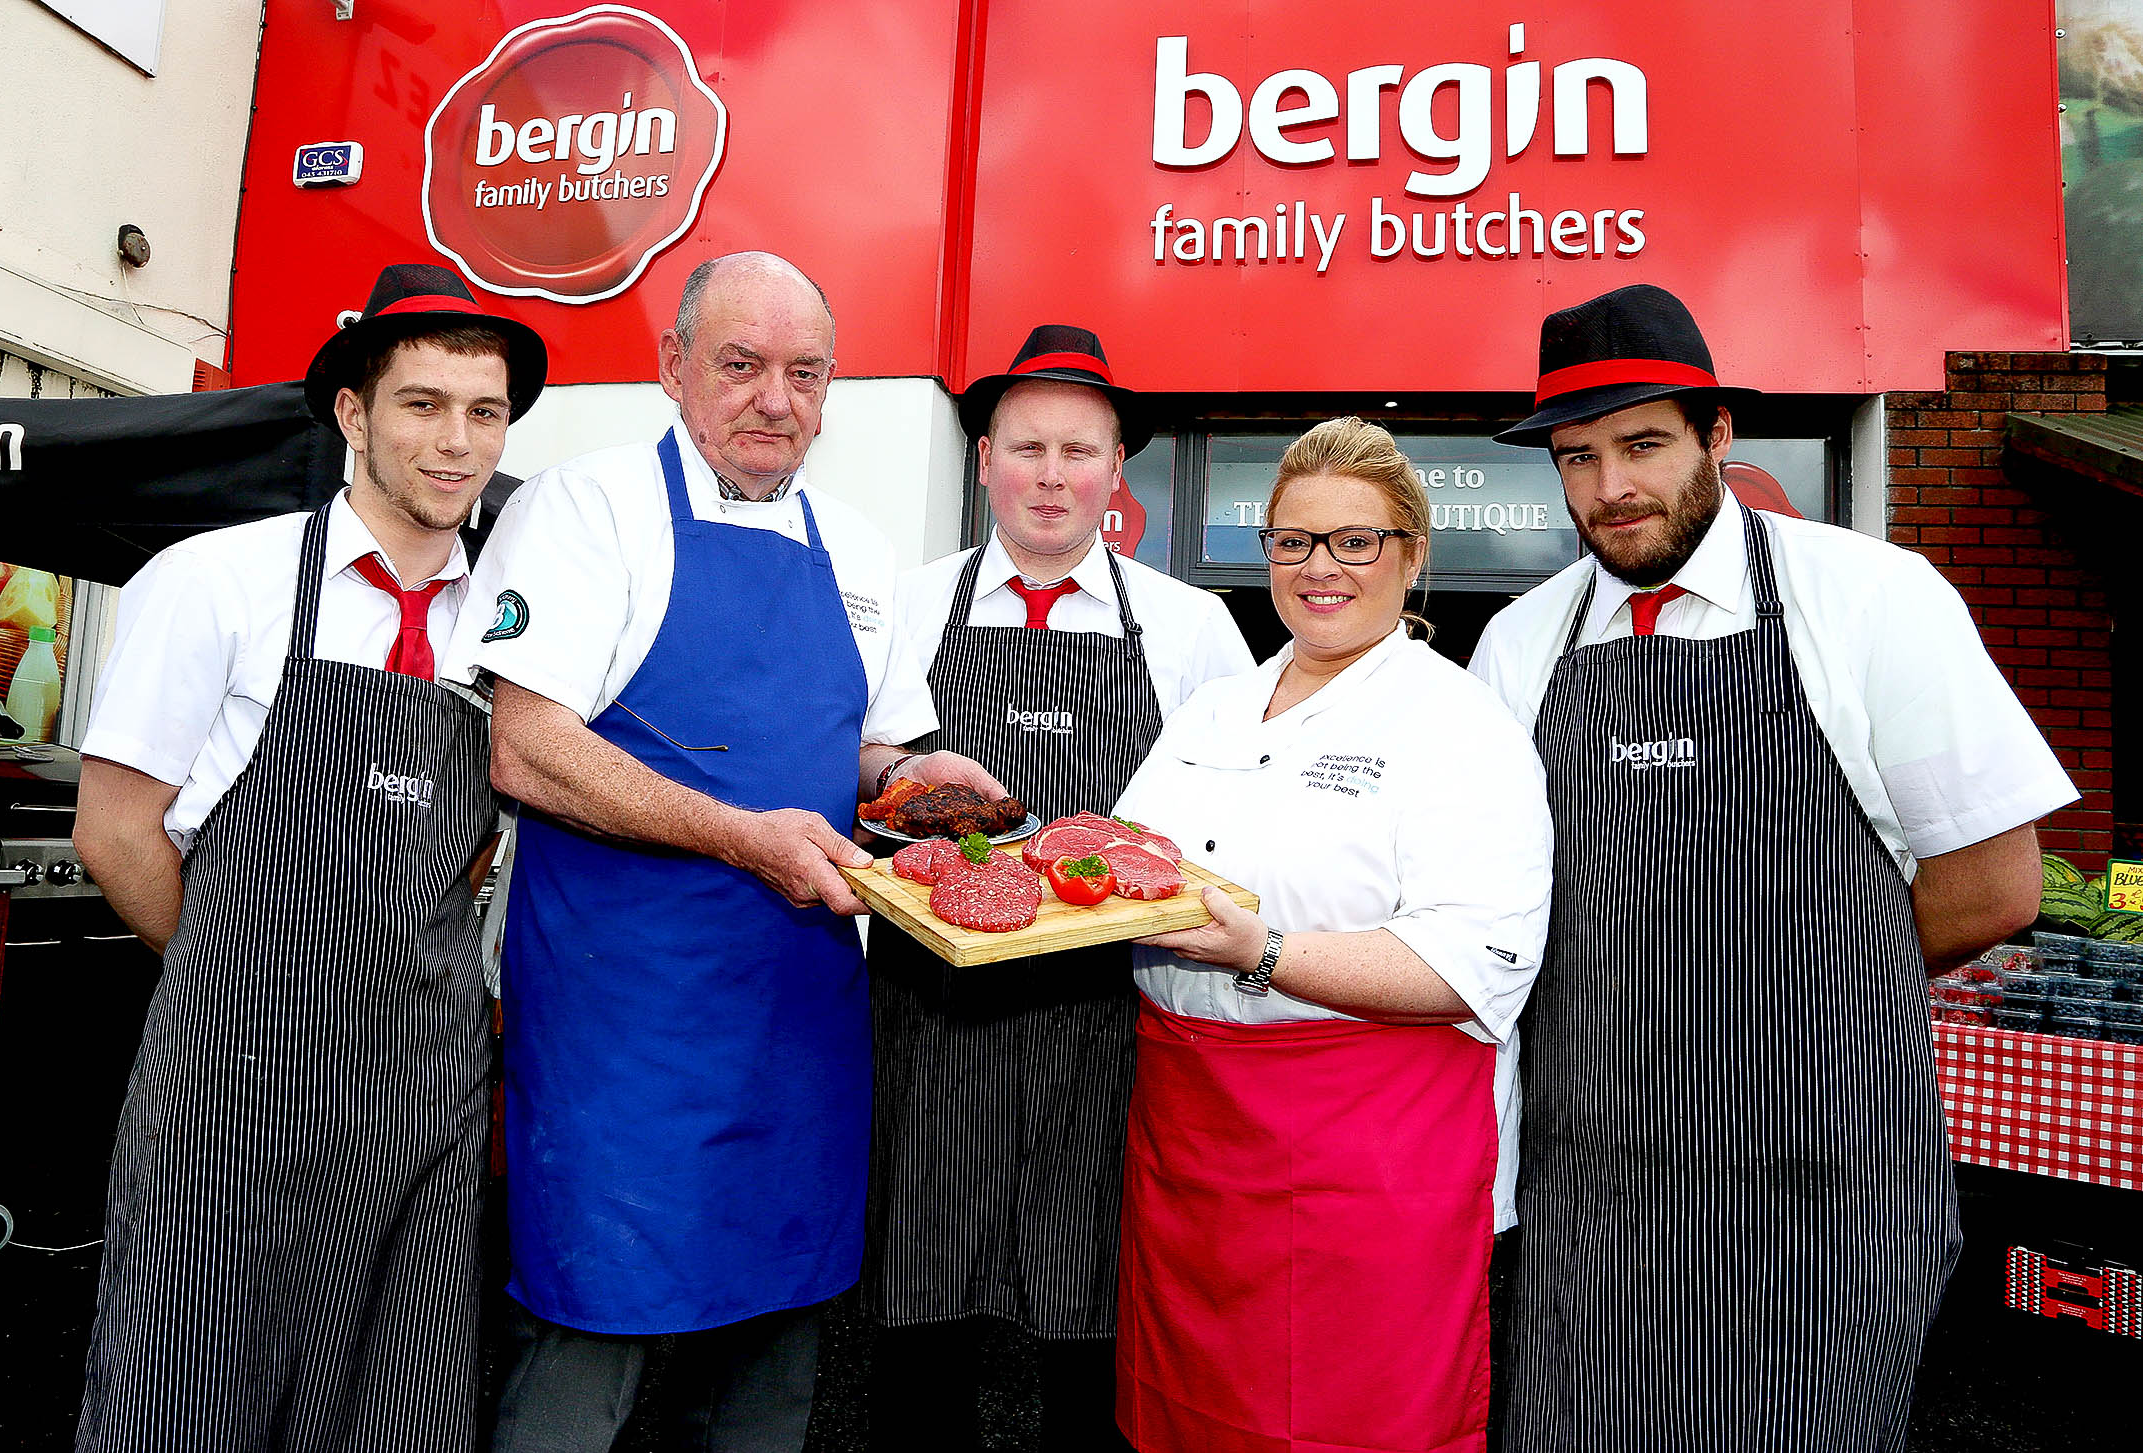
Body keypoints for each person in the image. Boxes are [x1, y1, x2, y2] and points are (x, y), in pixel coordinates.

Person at [1468, 283, 2076, 1451]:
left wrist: (1807, 990)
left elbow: (1997, 883)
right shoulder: (1521, 641)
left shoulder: (1869, 600)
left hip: (1823, 1185)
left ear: (1717, 436)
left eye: (1642, 443)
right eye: (1577, 455)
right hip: (1588, 1189)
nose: (1610, 489)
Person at [449, 251, 999, 1453]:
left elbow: (873, 749)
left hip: (797, 1022)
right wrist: (742, 838)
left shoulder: (856, 550)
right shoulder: (586, 509)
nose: (776, 400)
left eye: (807, 374)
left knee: (777, 1353)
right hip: (623, 1028)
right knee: (585, 1346)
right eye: (742, 366)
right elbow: (528, 747)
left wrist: (921, 783)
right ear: (673, 368)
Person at [72, 262, 546, 1450]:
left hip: (423, 1090)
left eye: (482, 412)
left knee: (399, 1403)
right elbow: (117, 829)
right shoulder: (212, 581)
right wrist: (239, 974)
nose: (456, 443)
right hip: (232, 1077)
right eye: (422, 404)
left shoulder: (515, 622)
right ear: (352, 413)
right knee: (184, 1388)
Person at [1110, 418, 1553, 1453]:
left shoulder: (1457, 725)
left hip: (1373, 1157)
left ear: (1411, 552)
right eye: (1292, 540)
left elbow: (1474, 961)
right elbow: (1129, 868)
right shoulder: (1210, 713)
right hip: (1193, 1140)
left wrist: (1262, 953)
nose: (1320, 568)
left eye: (1355, 540)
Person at [863, 325, 1252, 1450]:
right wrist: (898, 777)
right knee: (915, 1335)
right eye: (1025, 446)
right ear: (982, 458)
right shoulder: (902, 608)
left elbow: (1231, 814)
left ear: (1115, 470)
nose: (1050, 475)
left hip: (1107, 1035)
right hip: (928, 1028)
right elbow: (844, 767)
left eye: (1078, 451)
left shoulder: (1190, 627)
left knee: (1090, 1340)